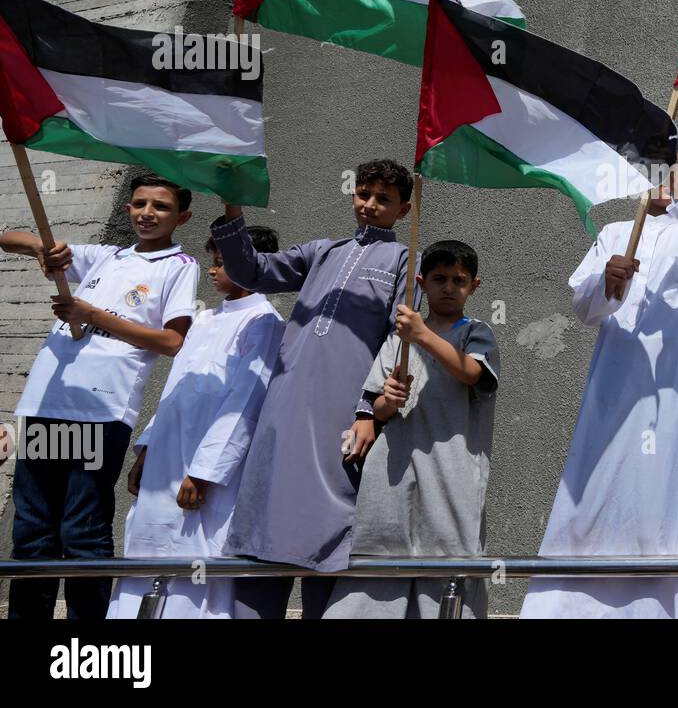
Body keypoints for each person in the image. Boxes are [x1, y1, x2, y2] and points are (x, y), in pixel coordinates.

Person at [521, 133, 678, 618]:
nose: (666, 178)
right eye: (656, 169)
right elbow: (584, 308)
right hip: (618, 392)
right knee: (606, 489)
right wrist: (608, 281)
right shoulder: (615, 233)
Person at [210, 159, 411, 618]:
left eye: (384, 198)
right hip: (284, 404)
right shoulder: (324, 250)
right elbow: (251, 271)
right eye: (364, 194)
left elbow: (400, 343)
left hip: (345, 414)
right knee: (267, 515)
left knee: (332, 523)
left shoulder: (404, 260)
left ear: (403, 210)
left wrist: (367, 411)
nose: (370, 205)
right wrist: (232, 204)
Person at [2, 173, 198, 619]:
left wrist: (91, 314)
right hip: (44, 407)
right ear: (128, 208)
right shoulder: (103, 256)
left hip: (99, 412)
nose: (147, 213)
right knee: (33, 531)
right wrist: (40, 248)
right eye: (139, 203)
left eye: (161, 207)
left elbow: (171, 341)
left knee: (82, 531)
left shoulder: (178, 266)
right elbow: (7, 238)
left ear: (182, 217)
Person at [107, 226, 285, 618]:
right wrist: (146, 450)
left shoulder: (265, 323)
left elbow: (246, 405)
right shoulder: (203, 321)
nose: (212, 271)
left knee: (196, 566)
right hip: (164, 463)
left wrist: (205, 472)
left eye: (223, 263)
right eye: (214, 261)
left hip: (205, 476)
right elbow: (174, 389)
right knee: (144, 551)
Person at [324, 240, 500, 619]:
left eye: (459, 280)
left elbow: (473, 373)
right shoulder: (396, 339)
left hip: (451, 469)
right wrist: (389, 398)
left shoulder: (476, 332)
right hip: (394, 468)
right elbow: (378, 410)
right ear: (421, 283)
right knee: (382, 548)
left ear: (474, 286)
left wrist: (422, 335)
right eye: (439, 279)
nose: (449, 288)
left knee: (449, 551)